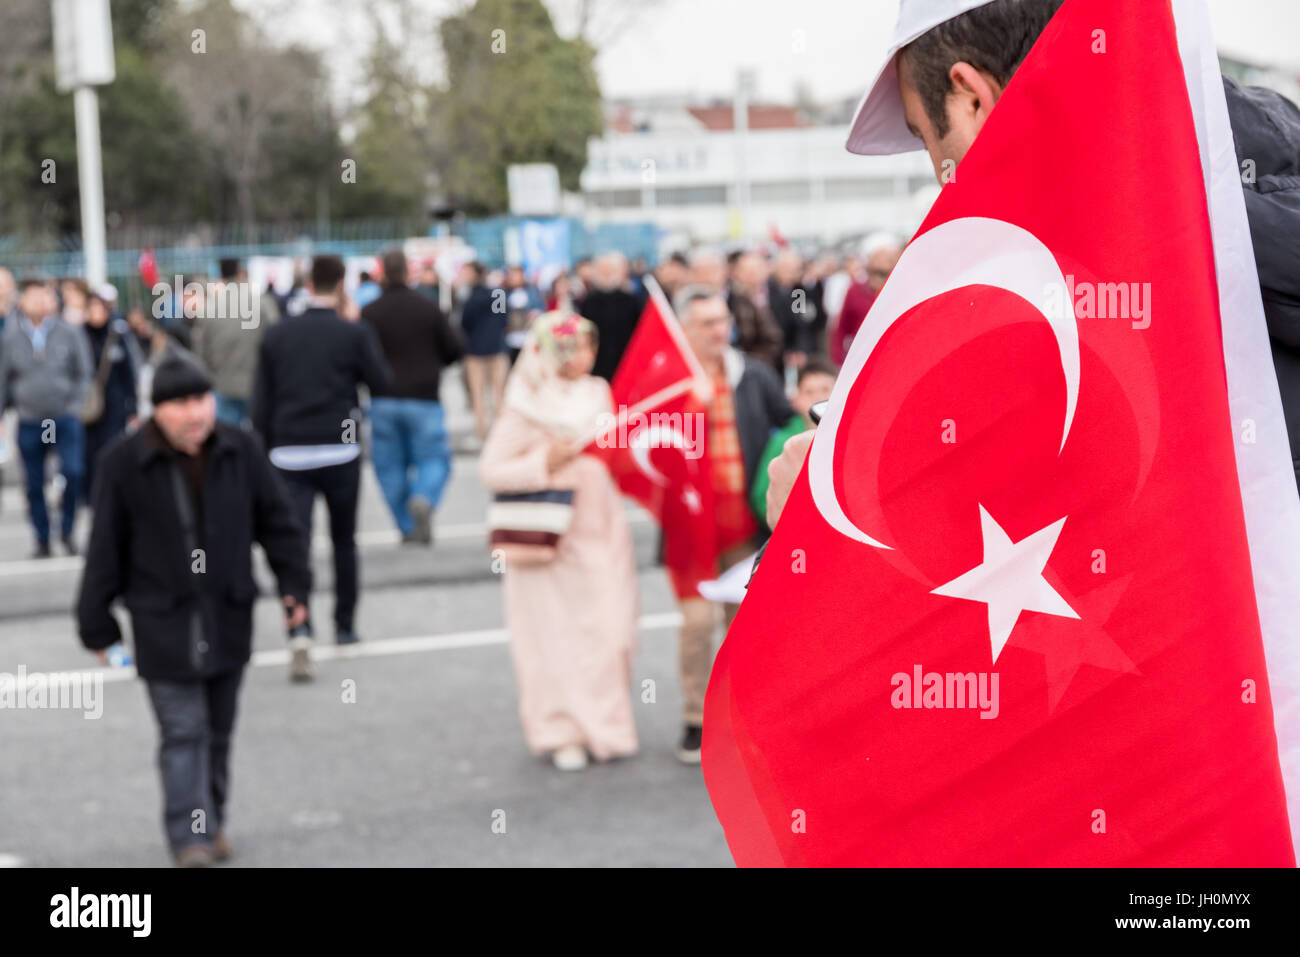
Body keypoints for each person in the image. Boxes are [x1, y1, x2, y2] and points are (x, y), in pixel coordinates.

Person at [76, 352, 311, 866]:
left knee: (219, 730)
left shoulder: (240, 448)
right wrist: (97, 625)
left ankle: (212, 820)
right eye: (181, 403)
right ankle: (191, 839)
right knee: (184, 731)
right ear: (157, 409)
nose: (196, 414)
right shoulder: (123, 462)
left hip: (228, 614)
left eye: (202, 400)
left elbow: (278, 523)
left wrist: (295, 588)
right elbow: (105, 549)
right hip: (163, 620)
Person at [478, 312, 639, 770]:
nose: (587, 355)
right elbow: (491, 470)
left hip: (602, 526)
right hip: (548, 535)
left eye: (591, 345)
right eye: (576, 347)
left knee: (613, 628)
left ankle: (607, 728)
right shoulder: (525, 402)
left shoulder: (598, 392)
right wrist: (545, 460)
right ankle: (560, 731)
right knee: (550, 637)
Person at [669, 286, 793, 763]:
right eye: (707, 323)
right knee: (697, 626)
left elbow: (786, 425)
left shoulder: (753, 375)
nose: (720, 331)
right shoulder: (671, 384)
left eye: (723, 321)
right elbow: (640, 441)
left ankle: (743, 715)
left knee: (746, 627)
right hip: (691, 533)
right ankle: (695, 720)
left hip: (746, 529)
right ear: (684, 330)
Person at [251, 255, 391, 669]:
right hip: (340, 447)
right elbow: (380, 382)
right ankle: (344, 626)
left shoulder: (277, 335)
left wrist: (267, 446)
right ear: (342, 283)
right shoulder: (353, 333)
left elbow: (261, 404)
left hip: (289, 451)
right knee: (344, 542)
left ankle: (299, 628)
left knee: (294, 546)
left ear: (307, 283)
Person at [362, 249, 464, 544]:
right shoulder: (428, 308)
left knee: (388, 466)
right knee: (434, 459)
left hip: (382, 399)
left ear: (381, 274)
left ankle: (407, 526)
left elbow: (359, 358)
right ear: (409, 273)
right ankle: (423, 496)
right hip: (424, 398)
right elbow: (454, 348)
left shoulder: (370, 313)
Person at [0, 279, 93, 557]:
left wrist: (75, 404)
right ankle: (42, 537)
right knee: (34, 481)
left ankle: (67, 530)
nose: (41, 302)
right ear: (22, 302)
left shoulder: (69, 333)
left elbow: (83, 372)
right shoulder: (11, 339)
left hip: (63, 418)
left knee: (73, 472)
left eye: (45, 296)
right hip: (30, 419)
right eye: (34, 297)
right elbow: (3, 380)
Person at [192, 257, 280, 427]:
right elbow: (277, 342)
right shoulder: (263, 303)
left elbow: (200, 353)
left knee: (228, 442)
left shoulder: (209, 308)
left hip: (222, 386)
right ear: (240, 272)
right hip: (258, 385)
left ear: (220, 275)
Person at [749, 358, 836, 525]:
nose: (818, 397)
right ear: (796, 400)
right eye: (809, 392)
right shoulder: (783, 441)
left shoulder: (851, 440)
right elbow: (761, 496)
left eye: (825, 389)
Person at [81, 293, 141, 501]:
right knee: (90, 451)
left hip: (115, 404)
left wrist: (132, 407)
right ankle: (91, 494)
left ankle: (114, 492)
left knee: (113, 449)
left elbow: (128, 373)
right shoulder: (80, 335)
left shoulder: (117, 335)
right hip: (88, 406)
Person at [830, 235, 902, 366]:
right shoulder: (855, 290)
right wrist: (839, 362)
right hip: (863, 359)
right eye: (882, 256)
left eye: (892, 256)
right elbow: (841, 329)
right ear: (869, 259)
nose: (889, 261)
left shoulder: (902, 288)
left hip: (896, 356)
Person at [458, 261, 508, 441]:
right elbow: (503, 320)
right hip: (497, 349)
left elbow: (464, 324)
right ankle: (501, 433)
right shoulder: (498, 294)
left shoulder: (470, 297)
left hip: (475, 351)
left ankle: (482, 432)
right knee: (498, 394)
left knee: (478, 395)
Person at [579, 252, 644, 381]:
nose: (606, 274)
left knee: (622, 401)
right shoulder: (588, 301)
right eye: (603, 270)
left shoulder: (631, 301)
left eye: (611, 270)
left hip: (625, 361)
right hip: (596, 363)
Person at [726, 251, 784, 371]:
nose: (751, 274)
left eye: (756, 269)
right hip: (747, 364)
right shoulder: (729, 299)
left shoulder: (785, 293)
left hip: (780, 362)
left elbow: (797, 324)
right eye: (746, 270)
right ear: (736, 272)